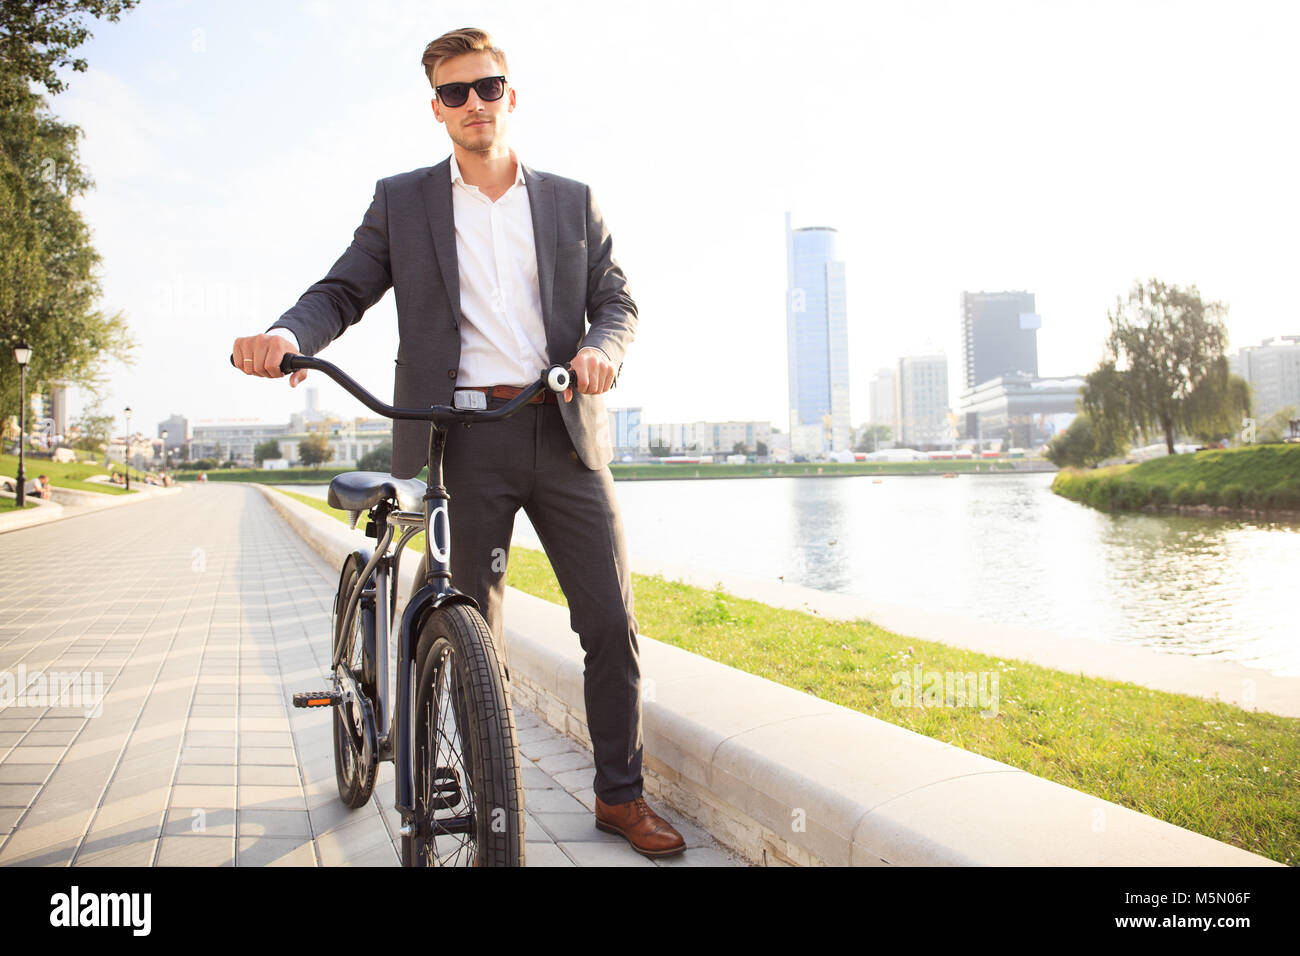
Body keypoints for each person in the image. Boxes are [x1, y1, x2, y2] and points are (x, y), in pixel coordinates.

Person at [231, 27, 683, 858]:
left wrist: (600, 351)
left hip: (561, 430)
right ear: (435, 109)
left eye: (487, 87)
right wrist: (284, 333)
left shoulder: (572, 199)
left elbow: (617, 301)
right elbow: (343, 289)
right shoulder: (403, 201)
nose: (474, 104)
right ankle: (483, 790)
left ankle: (621, 798)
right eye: (454, 93)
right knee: (470, 623)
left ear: (512, 94)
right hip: (460, 440)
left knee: (611, 622)